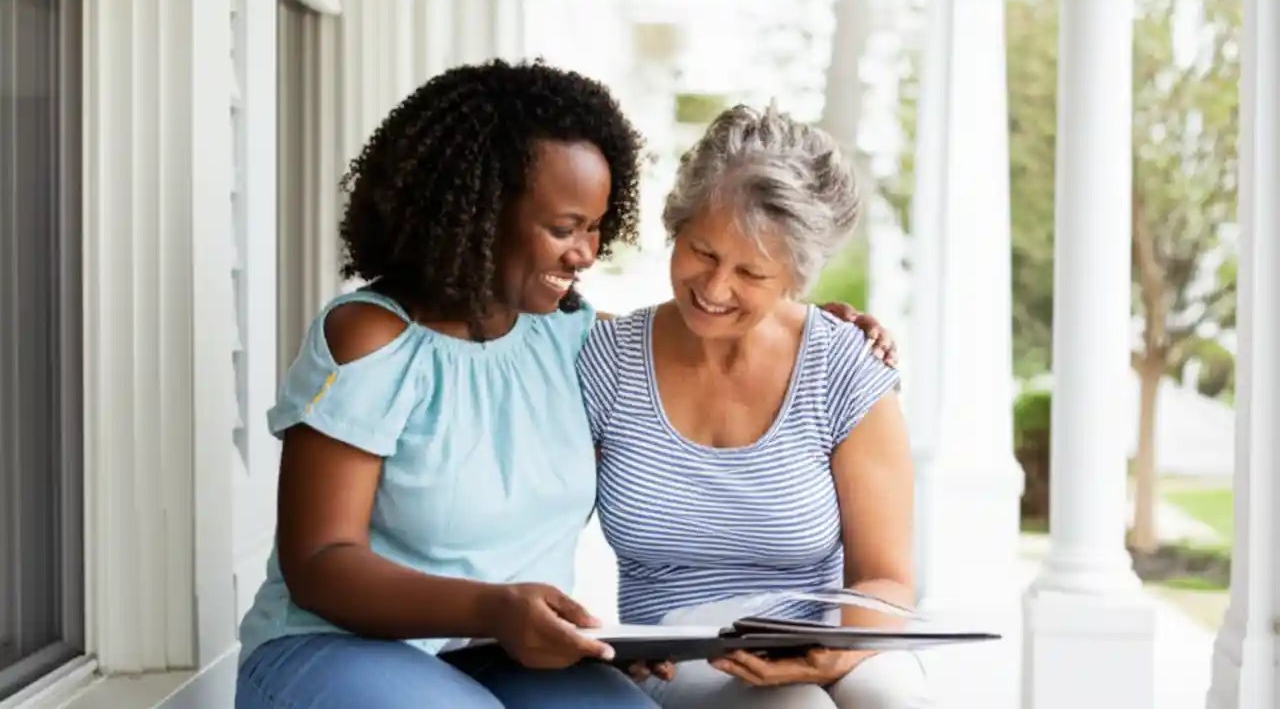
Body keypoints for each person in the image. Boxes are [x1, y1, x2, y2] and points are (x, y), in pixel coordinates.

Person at [235, 61, 896, 709]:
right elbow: (318, 560)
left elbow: (695, 336)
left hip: (500, 649)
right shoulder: (372, 339)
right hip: (336, 643)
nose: (585, 253)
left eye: (595, 227)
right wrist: (493, 608)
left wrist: (817, 327)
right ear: (479, 212)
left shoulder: (569, 337)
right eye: (562, 228)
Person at [578, 104, 929, 708]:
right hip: (674, 656)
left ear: (795, 275)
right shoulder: (608, 362)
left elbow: (888, 579)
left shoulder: (844, 366)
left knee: (891, 701)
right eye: (703, 252)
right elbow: (533, 530)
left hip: (826, 637)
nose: (714, 289)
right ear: (676, 226)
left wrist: (837, 650)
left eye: (751, 273)